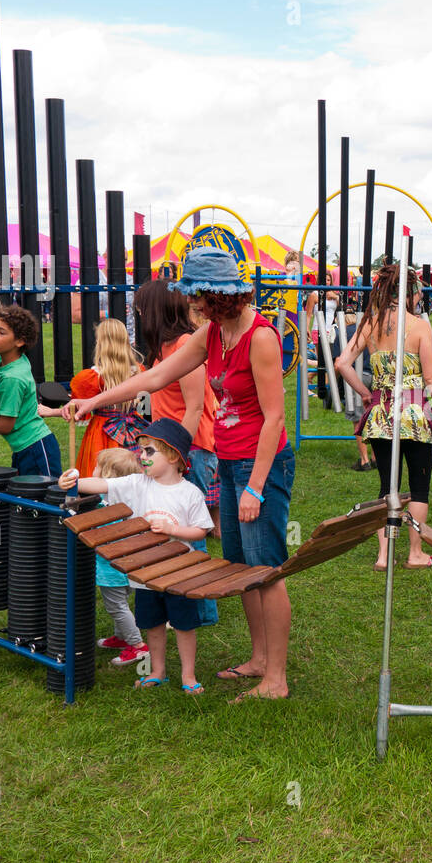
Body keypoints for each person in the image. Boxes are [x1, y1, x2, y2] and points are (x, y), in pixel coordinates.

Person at [68, 247, 294, 701]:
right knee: (240, 566)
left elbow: (274, 419)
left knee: (266, 567)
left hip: (259, 465)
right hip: (230, 462)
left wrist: (255, 487)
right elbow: (154, 378)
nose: (193, 305)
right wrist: (94, 402)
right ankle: (258, 659)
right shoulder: (212, 332)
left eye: (200, 297)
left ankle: (277, 679)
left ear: (221, 296)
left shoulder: (262, 338)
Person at [60, 420, 212, 691]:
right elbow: (103, 484)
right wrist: (75, 480)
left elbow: (201, 531)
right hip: (145, 574)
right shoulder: (137, 484)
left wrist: (173, 529)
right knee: (152, 624)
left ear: (174, 456)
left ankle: (188, 676)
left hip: (180, 574)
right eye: (141, 451)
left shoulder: (190, 493)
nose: (142, 457)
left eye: (149, 452)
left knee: (184, 625)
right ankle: (157, 670)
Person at [337, 258, 432, 571]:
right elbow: (431, 379)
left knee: (387, 487)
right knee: (418, 487)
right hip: (416, 415)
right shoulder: (419, 327)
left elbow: (341, 363)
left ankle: (383, 556)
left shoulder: (370, 324)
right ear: (410, 293)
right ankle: (414, 554)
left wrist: (365, 392)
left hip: (382, 413)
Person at [135, 279, 222, 538]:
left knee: (187, 527)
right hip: (168, 448)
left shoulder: (185, 344)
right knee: (169, 522)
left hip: (188, 450)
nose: (139, 315)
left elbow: (195, 407)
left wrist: (176, 457)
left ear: (155, 310)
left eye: (141, 310)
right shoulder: (162, 347)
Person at [0, 305, 62, 477]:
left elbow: (5, 425)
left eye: (2, 332)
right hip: (24, 448)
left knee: (46, 499)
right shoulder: (6, 360)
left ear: (20, 341)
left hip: (36, 449)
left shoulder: (13, 378)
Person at [91, 447, 149, 667]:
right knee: (121, 601)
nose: (93, 469)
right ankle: (122, 636)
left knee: (116, 605)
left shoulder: (105, 506)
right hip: (127, 565)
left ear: (108, 476)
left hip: (111, 568)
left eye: (97, 466)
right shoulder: (126, 503)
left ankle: (137, 645)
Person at [69, 318, 145, 478]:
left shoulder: (92, 378)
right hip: (135, 430)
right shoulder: (140, 372)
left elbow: (78, 412)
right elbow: (145, 410)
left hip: (102, 433)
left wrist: (50, 412)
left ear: (101, 344)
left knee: (99, 474)